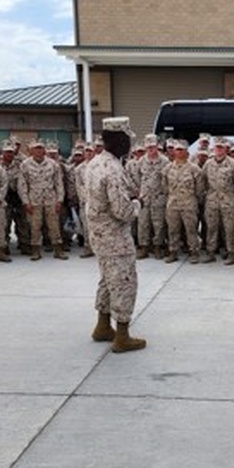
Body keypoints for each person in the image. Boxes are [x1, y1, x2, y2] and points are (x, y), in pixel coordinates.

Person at [85, 116, 145, 353]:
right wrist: (138, 204)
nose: (129, 145)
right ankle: (122, 335)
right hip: (115, 238)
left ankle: (102, 326)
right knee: (123, 282)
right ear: (118, 141)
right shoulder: (113, 169)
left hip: (98, 235)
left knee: (107, 280)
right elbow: (122, 211)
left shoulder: (94, 163)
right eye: (127, 140)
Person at [19, 140, 68, 261]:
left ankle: (58, 250)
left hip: (51, 200)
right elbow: (22, 185)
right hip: (34, 201)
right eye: (36, 148)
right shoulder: (25, 165)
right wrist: (26, 202)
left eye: (41, 148)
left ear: (44, 150)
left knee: (54, 226)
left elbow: (58, 184)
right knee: (35, 227)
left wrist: (59, 200)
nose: (39, 150)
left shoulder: (53, 164)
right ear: (31, 150)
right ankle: (36, 250)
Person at [162, 140, 205, 263]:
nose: (179, 152)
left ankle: (194, 251)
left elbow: (200, 188)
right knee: (173, 229)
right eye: (177, 149)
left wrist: (193, 199)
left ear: (187, 152)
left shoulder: (194, 169)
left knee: (191, 229)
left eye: (181, 150)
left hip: (189, 204)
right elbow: (164, 186)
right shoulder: (167, 168)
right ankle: (173, 251)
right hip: (173, 204)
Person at [202, 138, 234, 264]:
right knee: (211, 227)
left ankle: (231, 253)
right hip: (212, 200)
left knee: (229, 228)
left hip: (228, 201)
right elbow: (203, 181)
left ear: (226, 149)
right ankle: (211, 252)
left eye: (221, 147)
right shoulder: (208, 164)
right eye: (217, 147)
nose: (219, 150)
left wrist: (231, 195)